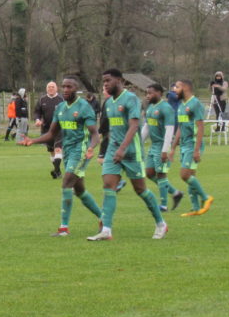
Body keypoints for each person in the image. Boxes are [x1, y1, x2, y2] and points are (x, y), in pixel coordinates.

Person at [86, 69, 167, 241]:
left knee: (140, 189)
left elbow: (134, 126)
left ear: (119, 80)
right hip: (113, 150)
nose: (105, 84)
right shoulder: (108, 103)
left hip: (131, 152)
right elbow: (108, 129)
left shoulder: (130, 99)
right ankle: (106, 229)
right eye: (103, 81)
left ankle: (161, 223)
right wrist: (100, 147)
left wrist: (122, 149)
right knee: (109, 185)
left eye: (108, 80)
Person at [24, 76, 104, 236]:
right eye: (64, 87)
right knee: (79, 190)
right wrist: (33, 140)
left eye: (70, 87)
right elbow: (52, 133)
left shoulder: (84, 107)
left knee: (66, 182)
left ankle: (63, 228)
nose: (66, 90)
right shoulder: (60, 108)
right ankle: (103, 217)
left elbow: (95, 133)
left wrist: (91, 147)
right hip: (67, 152)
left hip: (80, 151)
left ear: (76, 89)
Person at [172, 78, 213, 217]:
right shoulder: (181, 105)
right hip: (184, 145)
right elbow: (180, 127)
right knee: (191, 176)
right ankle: (195, 208)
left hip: (193, 144)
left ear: (185, 88)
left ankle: (206, 197)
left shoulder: (195, 104)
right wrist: (173, 147)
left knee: (184, 175)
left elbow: (200, 127)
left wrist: (196, 150)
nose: (174, 90)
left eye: (176, 87)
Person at [142, 82, 183, 211]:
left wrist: (165, 150)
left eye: (150, 93)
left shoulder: (166, 108)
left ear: (159, 93)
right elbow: (147, 127)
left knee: (161, 174)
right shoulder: (150, 108)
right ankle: (176, 193)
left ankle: (163, 205)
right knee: (149, 173)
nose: (147, 96)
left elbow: (170, 130)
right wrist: (139, 142)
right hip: (154, 145)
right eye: (146, 93)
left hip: (162, 145)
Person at [34, 80, 64, 179]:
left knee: (58, 149)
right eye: (49, 87)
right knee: (51, 151)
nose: (50, 88)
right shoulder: (42, 100)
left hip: (59, 129)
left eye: (52, 87)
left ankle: (56, 170)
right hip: (46, 130)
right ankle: (58, 171)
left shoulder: (61, 99)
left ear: (56, 88)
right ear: (46, 89)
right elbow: (37, 112)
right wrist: (38, 120)